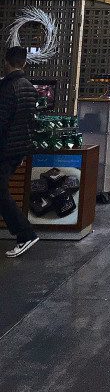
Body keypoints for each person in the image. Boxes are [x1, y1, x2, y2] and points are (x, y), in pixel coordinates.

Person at [0, 46, 39, 258]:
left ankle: (25, 234)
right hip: (18, 150)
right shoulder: (28, 88)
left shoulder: (7, 88)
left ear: (6, 63)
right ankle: (25, 233)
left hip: (5, 149)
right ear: (24, 63)